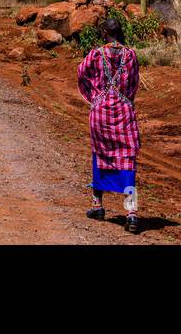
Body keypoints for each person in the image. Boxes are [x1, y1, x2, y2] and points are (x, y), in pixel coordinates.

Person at [76, 16, 141, 233]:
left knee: (100, 156)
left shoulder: (95, 54)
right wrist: (124, 99)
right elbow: (133, 83)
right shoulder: (130, 55)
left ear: (105, 33)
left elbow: (81, 72)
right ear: (120, 32)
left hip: (100, 113)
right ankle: (131, 213)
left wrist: (95, 96)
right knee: (127, 158)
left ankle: (97, 206)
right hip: (123, 112)